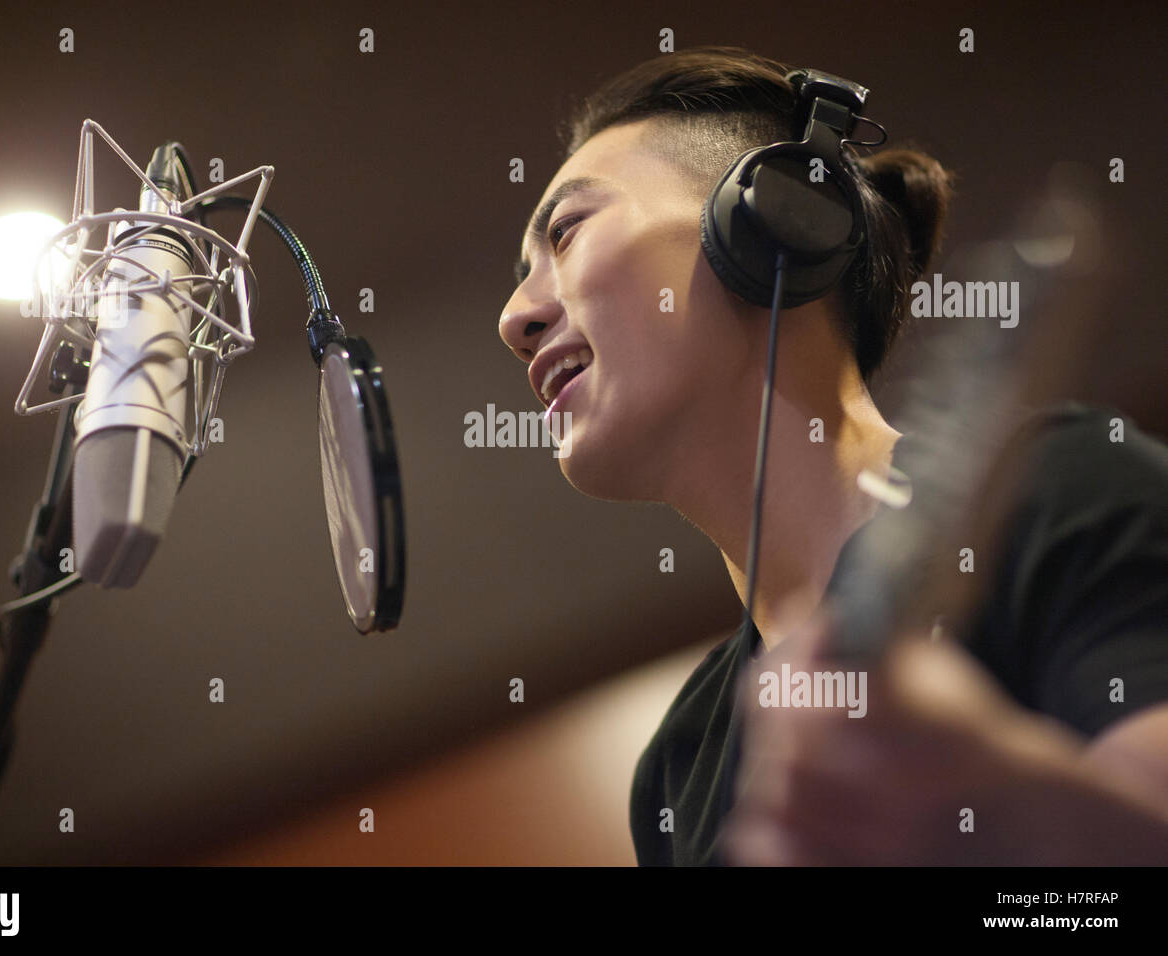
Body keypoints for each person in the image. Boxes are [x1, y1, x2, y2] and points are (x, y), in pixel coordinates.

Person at [497, 46, 1168, 865]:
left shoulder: (1054, 492)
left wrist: (1007, 812)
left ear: (774, 225)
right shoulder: (681, 761)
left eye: (565, 232)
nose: (514, 316)